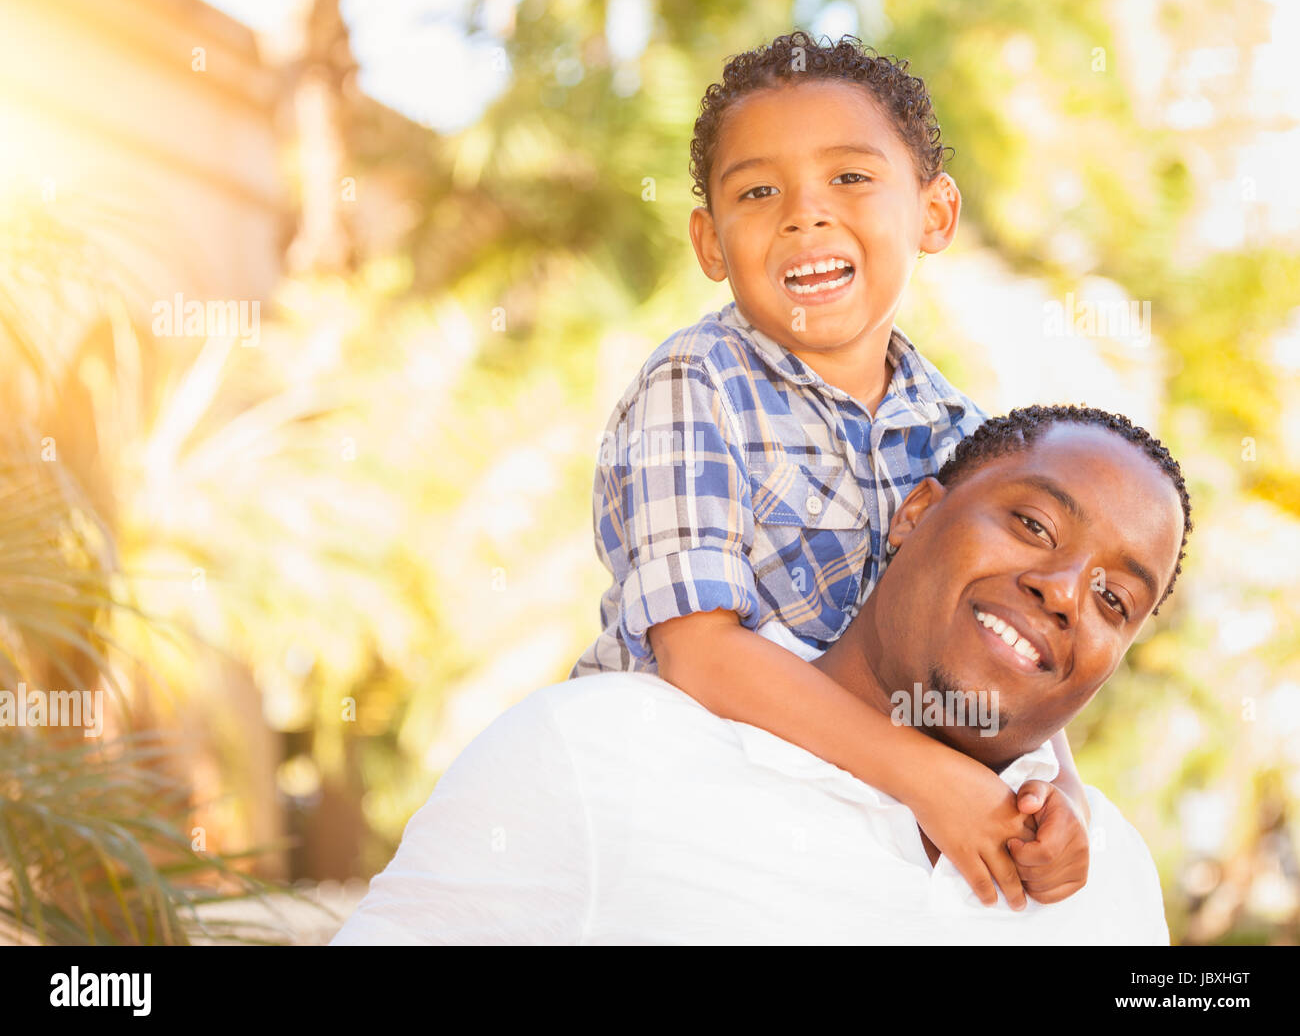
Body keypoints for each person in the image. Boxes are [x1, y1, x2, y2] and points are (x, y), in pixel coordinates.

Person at [332, 405, 1192, 945]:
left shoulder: (1106, 872)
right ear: (917, 511)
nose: (1065, 592)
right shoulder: (594, 756)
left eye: (1115, 599)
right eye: (1034, 525)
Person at [571, 30, 1089, 906]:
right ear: (709, 242)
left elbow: (1002, 650)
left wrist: (1055, 790)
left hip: (847, 823)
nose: (803, 214)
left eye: (850, 178)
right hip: (677, 800)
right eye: (759, 190)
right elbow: (699, 656)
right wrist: (924, 775)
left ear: (935, 213)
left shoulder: (968, 437)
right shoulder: (694, 386)